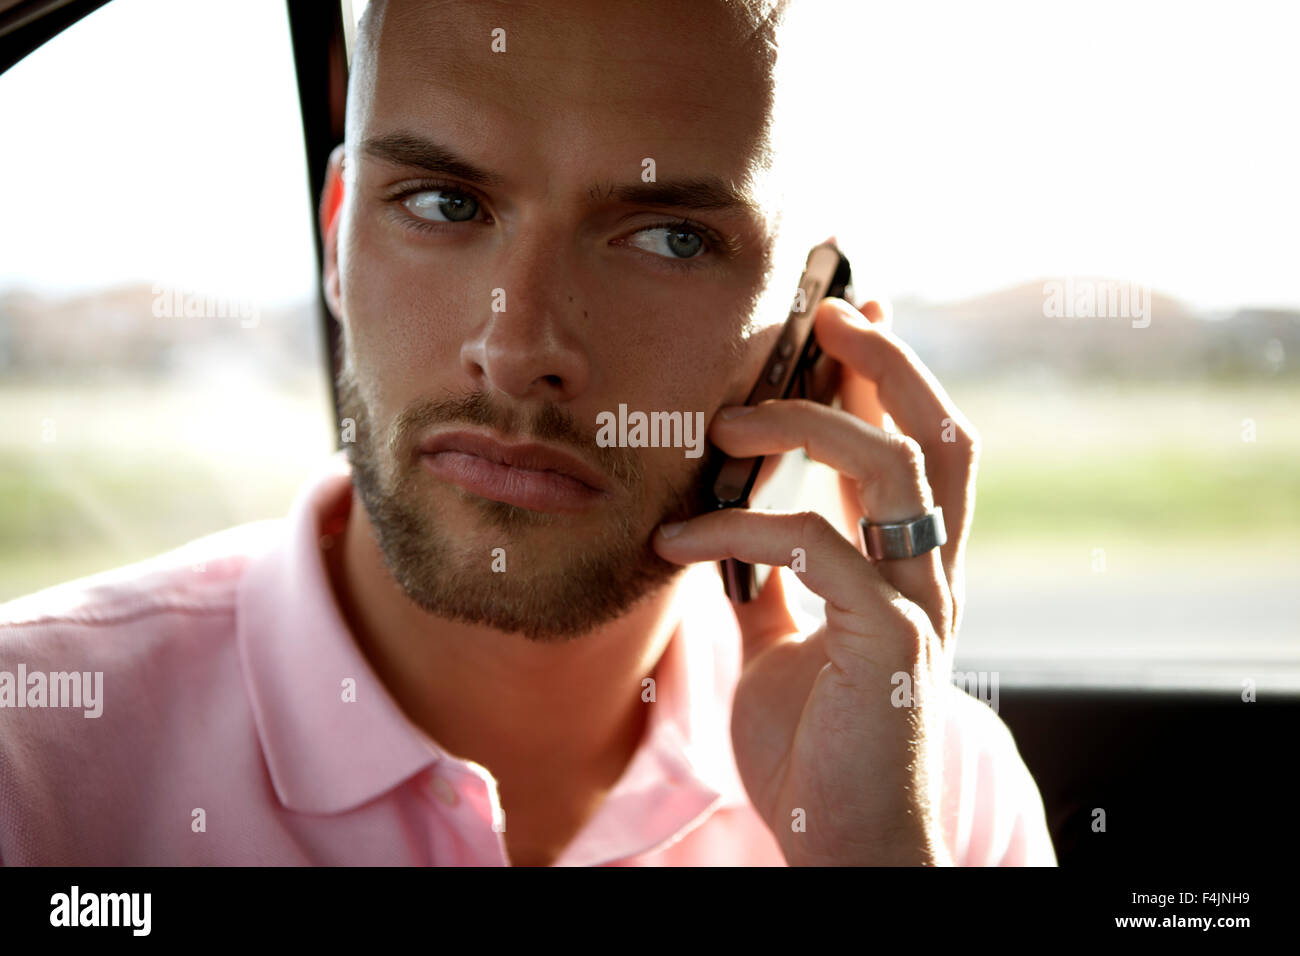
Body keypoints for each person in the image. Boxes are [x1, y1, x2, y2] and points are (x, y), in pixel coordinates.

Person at [0, 0, 1056, 866]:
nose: (518, 349)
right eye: (443, 206)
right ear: (335, 245)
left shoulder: (928, 794)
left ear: (807, 343)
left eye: (670, 237)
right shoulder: (28, 752)